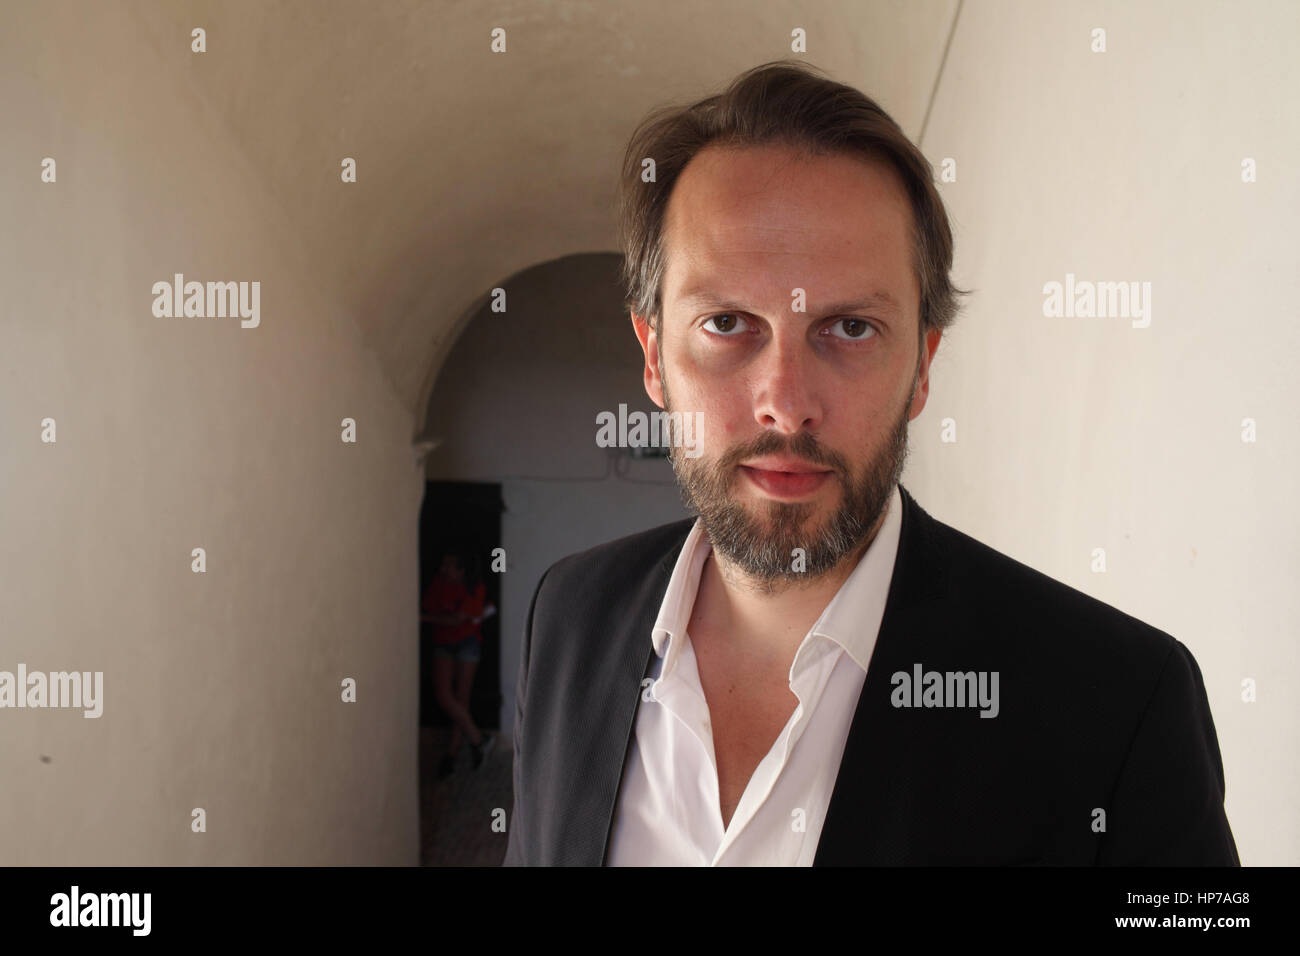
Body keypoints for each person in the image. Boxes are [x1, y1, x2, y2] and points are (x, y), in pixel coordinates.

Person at [503, 60, 1239, 865]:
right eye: (726, 323)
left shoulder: (1117, 708)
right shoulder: (568, 615)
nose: (786, 403)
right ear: (653, 358)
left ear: (922, 366)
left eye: (848, 328)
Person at [421, 550, 496, 777]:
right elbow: (431, 607)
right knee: (444, 695)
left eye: (449, 565)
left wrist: (422, 619)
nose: (443, 569)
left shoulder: (475, 587)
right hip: (443, 643)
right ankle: (479, 739)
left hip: (467, 643)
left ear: (462, 570)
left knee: (460, 699)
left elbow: (456, 619)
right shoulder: (439, 583)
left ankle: (451, 756)